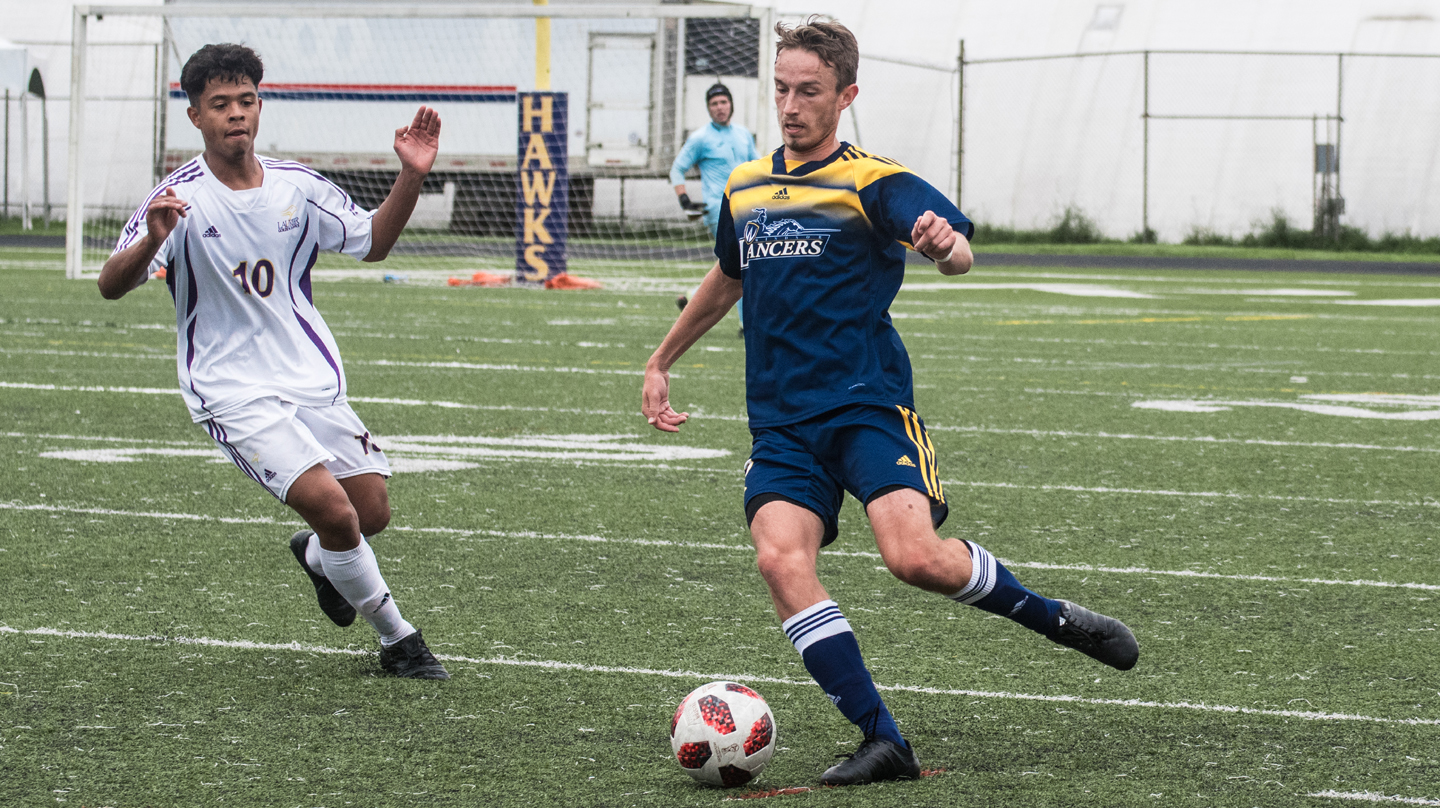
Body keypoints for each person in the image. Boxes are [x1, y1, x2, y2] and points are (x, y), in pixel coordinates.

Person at [642, 19, 1138, 786]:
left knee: (915, 560)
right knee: (779, 559)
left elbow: (958, 250)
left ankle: (1056, 618)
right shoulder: (744, 186)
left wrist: (944, 248)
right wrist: (662, 358)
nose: (791, 105)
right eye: (781, 89)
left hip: (868, 406)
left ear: (846, 95)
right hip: (780, 421)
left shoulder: (873, 181)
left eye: (809, 90)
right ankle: (883, 739)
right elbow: (728, 278)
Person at [98, 44, 448, 680]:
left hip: (310, 381)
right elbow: (111, 285)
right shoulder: (176, 200)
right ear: (196, 117)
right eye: (220, 104)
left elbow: (372, 243)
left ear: (259, 106)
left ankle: (318, 560)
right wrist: (152, 239)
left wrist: (412, 175)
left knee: (370, 512)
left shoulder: (298, 187)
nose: (237, 114)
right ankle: (400, 641)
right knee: (337, 513)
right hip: (230, 389)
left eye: (246, 101)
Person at [670, 82, 758, 333]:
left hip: (747, 207)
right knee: (745, 261)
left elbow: (758, 164)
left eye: (723, 102)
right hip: (718, 210)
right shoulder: (700, 138)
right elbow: (677, 169)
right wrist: (684, 199)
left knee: (737, 263)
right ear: (708, 109)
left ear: (731, 104)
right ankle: (745, 323)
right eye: (714, 104)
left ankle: (694, 295)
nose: (719, 108)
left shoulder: (743, 134)